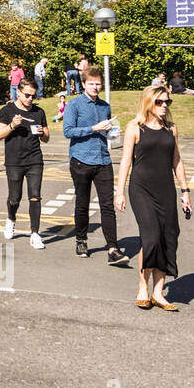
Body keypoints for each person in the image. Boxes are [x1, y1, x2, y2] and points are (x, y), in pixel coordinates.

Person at [115, 86, 191, 311]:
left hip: (165, 189)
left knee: (168, 237)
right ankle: (143, 288)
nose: (164, 105)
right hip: (141, 189)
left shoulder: (171, 129)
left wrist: (185, 191)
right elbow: (125, 162)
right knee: (151, 237)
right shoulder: (135, 128)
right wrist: (119, 192)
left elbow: (176, 161)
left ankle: (158, 292)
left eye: (167, 102)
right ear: (148, 103)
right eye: (159, 102)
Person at [63, 66, 127, 264]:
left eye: (98, 83)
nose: (95, 87)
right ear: (83, 84)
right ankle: (81, 240)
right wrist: (93, 128)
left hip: (103, 160)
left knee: (107, 206)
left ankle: (113, 248)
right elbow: (68, 131)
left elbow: (105, 132)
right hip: (81, 159)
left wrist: (112, 133)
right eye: (91, 83)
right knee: (82, 204)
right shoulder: (74, 105)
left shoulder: (104, 106)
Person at [0, 78, 49, 249]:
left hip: (34, 159)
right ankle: (11, 219)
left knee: (35, 196)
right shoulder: (7, 110)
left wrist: (42, 133)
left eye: (33, 96)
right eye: (27, 95)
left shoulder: (38, 112)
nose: (30, 99)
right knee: (14, 198)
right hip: (14, 160)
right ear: (18, 92)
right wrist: (12, 125)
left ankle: (35, 233)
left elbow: (47, 137)